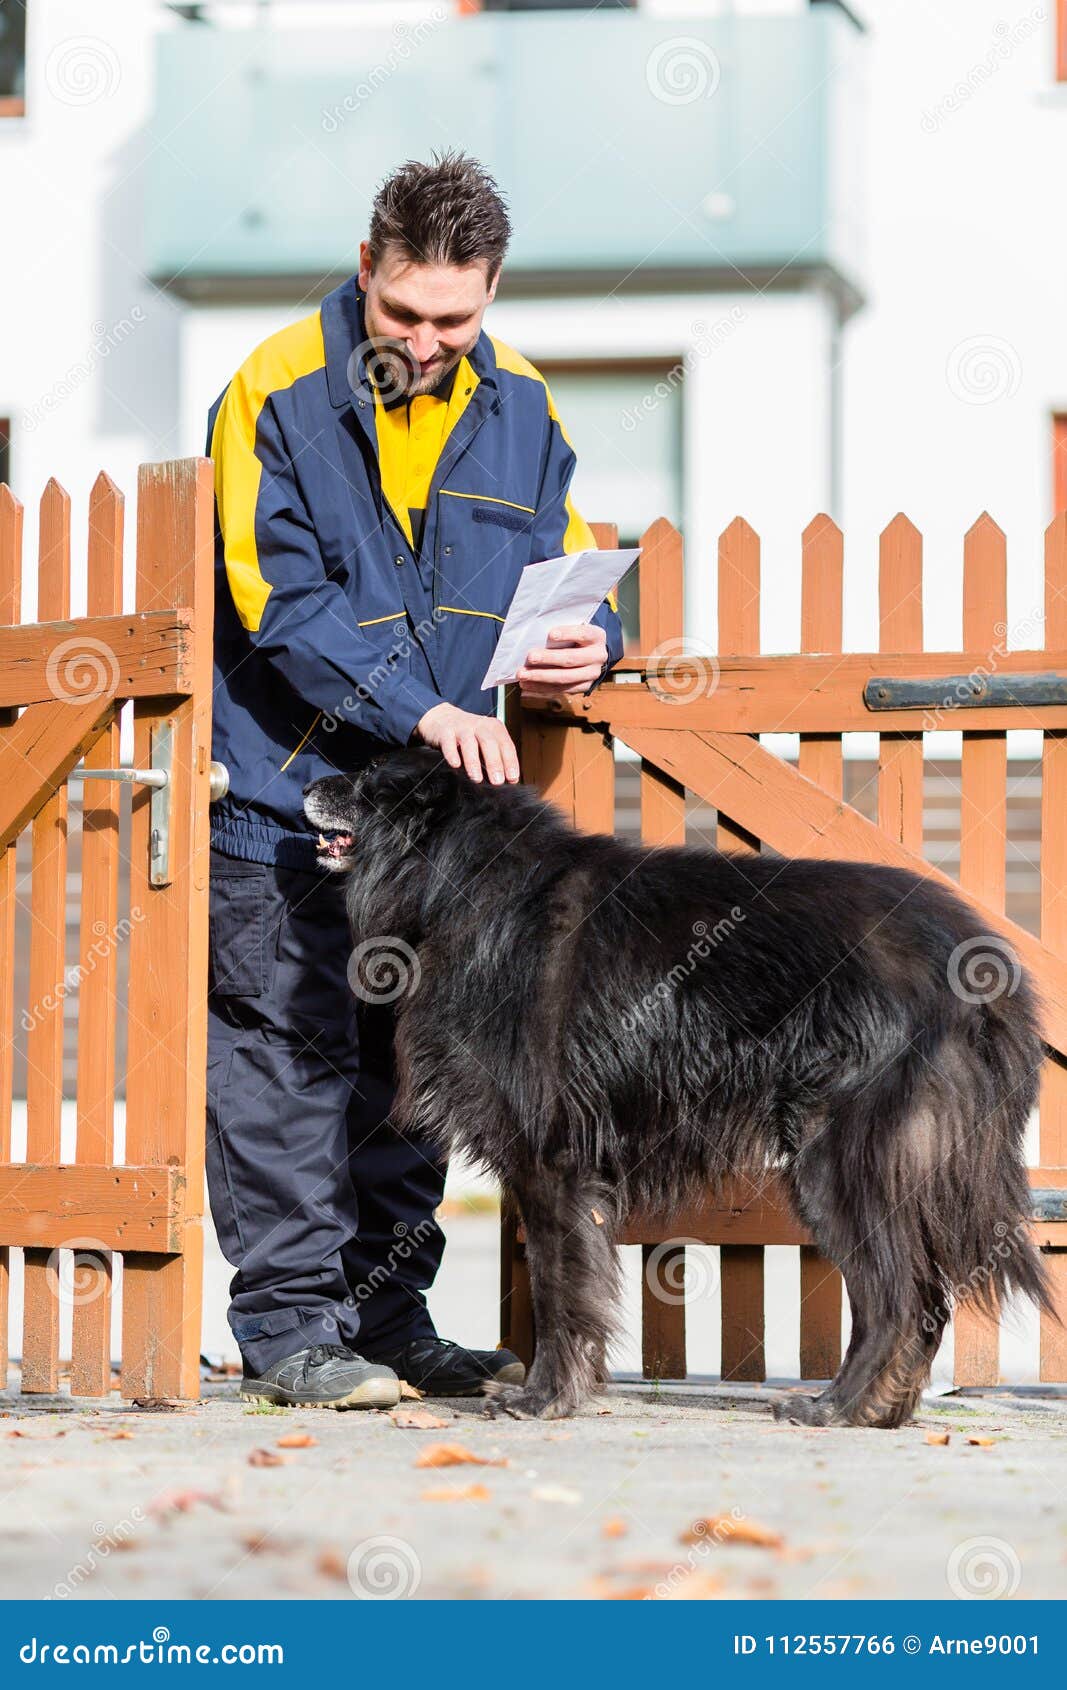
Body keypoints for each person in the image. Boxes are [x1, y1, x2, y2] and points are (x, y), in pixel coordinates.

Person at [204, 149, 625, 1410]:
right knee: (285, 1061)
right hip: (289, 799)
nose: (429, 339)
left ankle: (390, 1323)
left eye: (456, 316)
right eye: (403, 313)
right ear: (364, 269)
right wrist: (422, 707)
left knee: (412, 1073)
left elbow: (581, 562)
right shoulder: (272, 389)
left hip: (439, 840)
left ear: (490, 292)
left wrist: (594, 643)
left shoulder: (526, 405)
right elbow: (278, 602)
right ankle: (289, 1334)